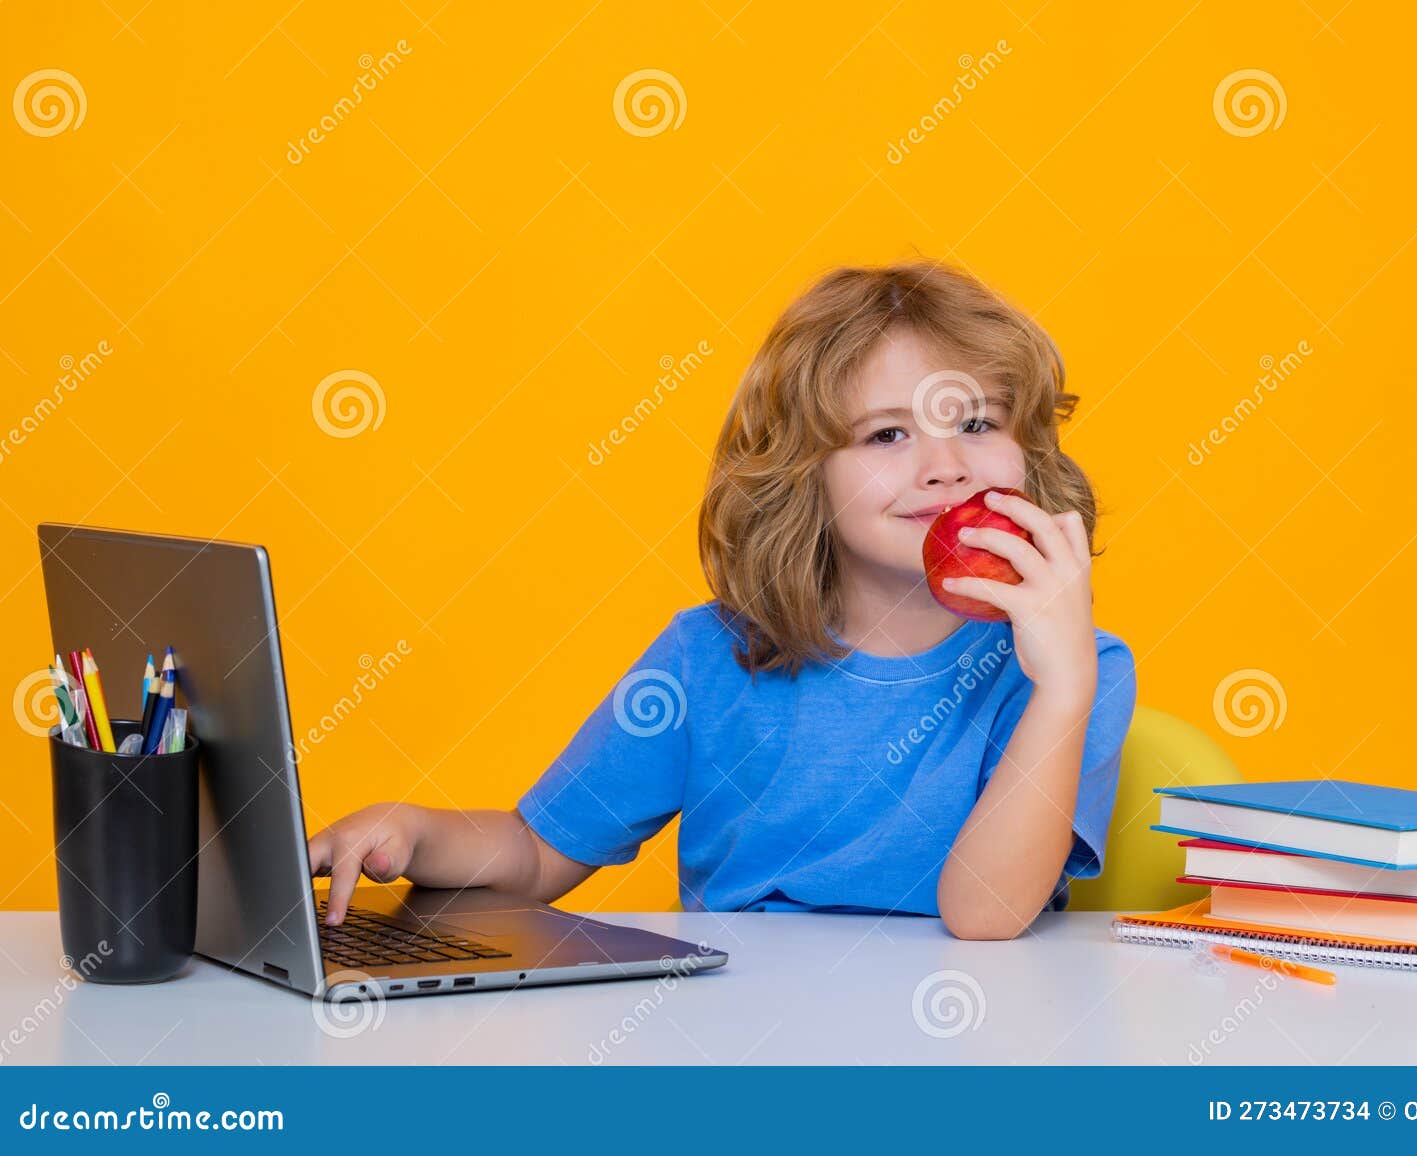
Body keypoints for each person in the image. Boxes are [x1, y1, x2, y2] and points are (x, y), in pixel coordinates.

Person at [307, 260, 1136, 940]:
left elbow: (985, 915)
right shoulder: (710, 657)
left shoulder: (1077, 673)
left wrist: (1060, 689)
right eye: (888, 434)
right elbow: (536, 853)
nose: (945, 466)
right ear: (802, 478)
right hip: (737, 1044)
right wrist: (414, 830)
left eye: (979, 424)